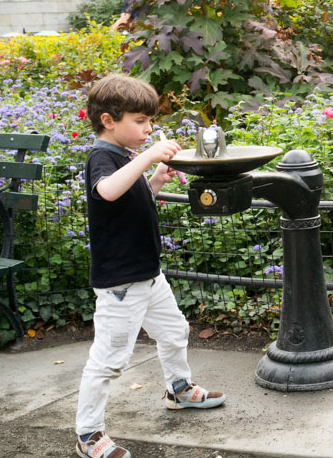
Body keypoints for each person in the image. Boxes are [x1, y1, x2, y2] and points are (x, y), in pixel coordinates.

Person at [75, 74, 226, 458]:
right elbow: (108, 190)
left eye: (149, 121)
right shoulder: (101, 157)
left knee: (174, 331)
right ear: (108, 120)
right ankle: (88, 433)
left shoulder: (124, 157)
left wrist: (154, 180)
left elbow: (129, 202)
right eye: (140, 121)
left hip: (148, 276)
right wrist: (149, 157)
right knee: (109, 361)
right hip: (121, 283)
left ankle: (179, 389)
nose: (148, 128)